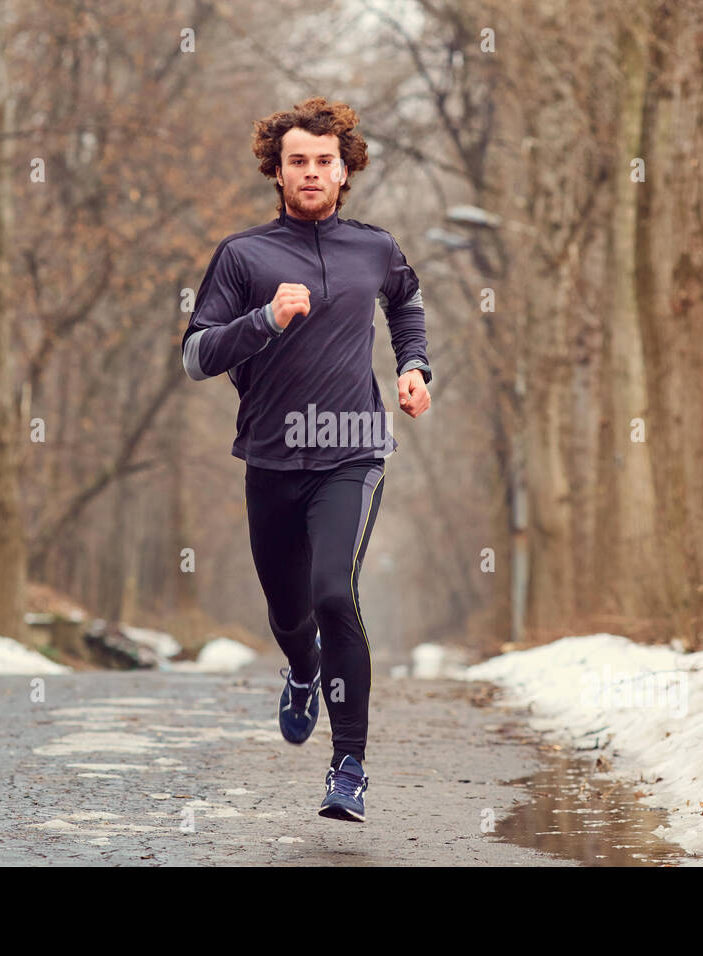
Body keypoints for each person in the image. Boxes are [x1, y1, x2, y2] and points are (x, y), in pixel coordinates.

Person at [180, 97, 433, 822]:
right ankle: (300, 670)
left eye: (326, 161)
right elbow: (196, 356)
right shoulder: (243, 256)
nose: (313, 173)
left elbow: (406, 304)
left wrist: (415, 367)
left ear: (345, 169)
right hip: (270, 457)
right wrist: (263, 319)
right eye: (298, 162)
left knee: (332, 590)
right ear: (277, 170)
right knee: (291, 615)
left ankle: (348, 766)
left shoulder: (375, 248)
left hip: (352, 452)